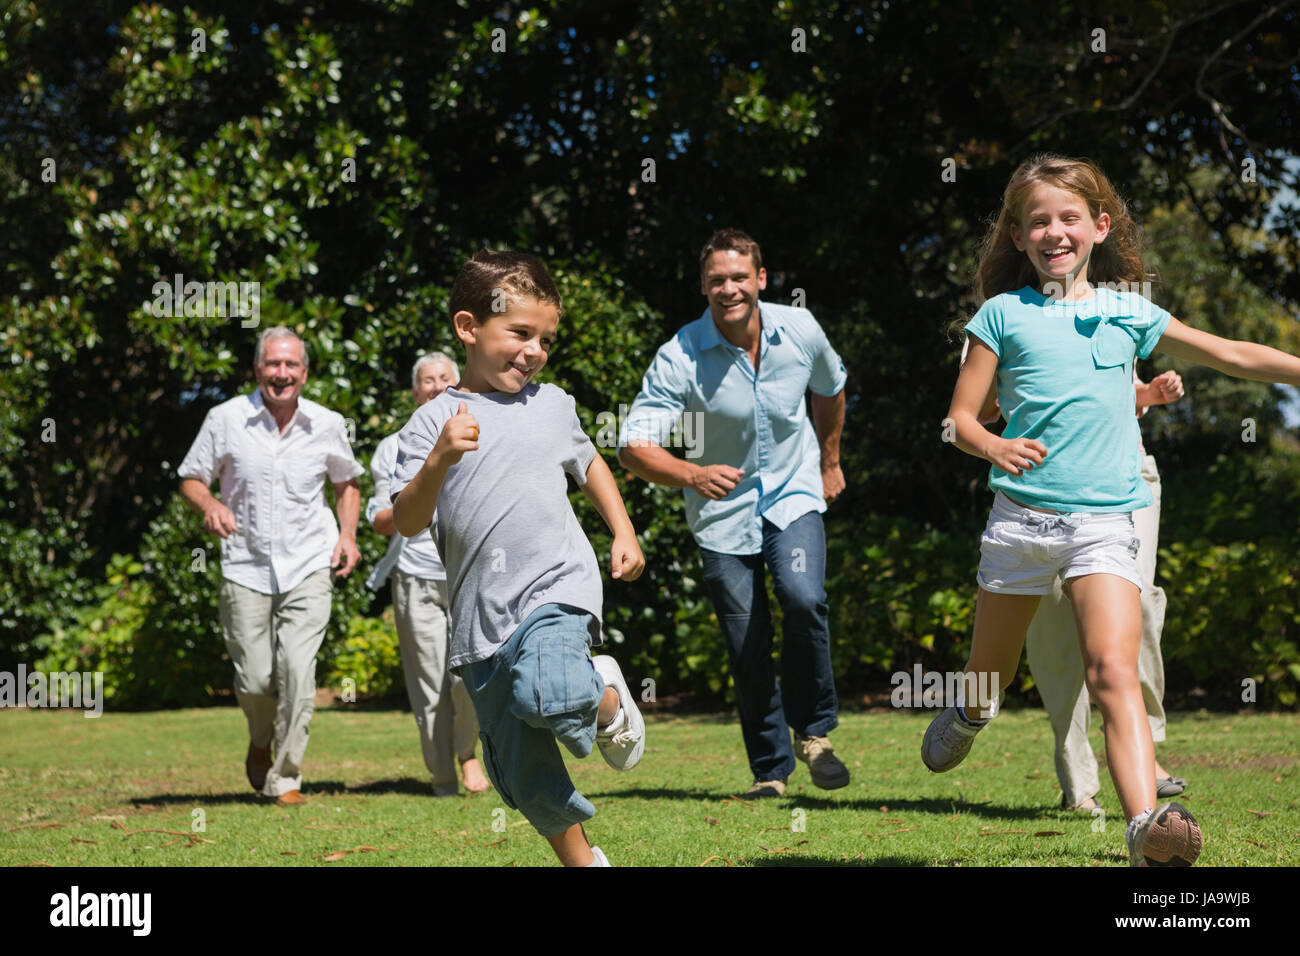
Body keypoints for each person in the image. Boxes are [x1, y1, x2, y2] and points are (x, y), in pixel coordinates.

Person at [930, 153, 1300, 866]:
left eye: (1069, 218)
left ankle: (1143, 825)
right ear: (1017, 237)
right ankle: (973, 711)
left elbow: (1228, 352)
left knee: (1113, 670)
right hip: (1020, 525)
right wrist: (993, 449)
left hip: (1104, 523)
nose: (1054, 232)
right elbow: (961, 420)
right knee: (990, 675)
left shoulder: (1129, 310)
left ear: (1099, 227)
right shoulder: (1001, 315)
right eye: (1037, 221)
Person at [392, 249, 647, 867]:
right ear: (468, 327)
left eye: (545, 339)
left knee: (552, 691)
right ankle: (585, 862)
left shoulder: (552, 405)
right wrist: (439, 461)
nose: (533, 351)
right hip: (481, 626)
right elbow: (407, 519)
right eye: (520, 333)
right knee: (524, 777)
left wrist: (623, 529)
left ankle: (605, 696)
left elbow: (588, 463)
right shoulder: (431, 423)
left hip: (555, 590)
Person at [618, 228, 849, 798]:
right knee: (746, 640)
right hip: (721, 516)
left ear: (761, 279)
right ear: (703, 285)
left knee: (804, 596)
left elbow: (832, 387)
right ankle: (770, 771)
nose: (729, 289)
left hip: (794, 491)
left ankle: (814, 733)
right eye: (716, 280)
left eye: (739, 277)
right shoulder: (681, 355)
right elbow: (631, 447)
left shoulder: (800, 329)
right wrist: (692, 474)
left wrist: (830, 460)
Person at [179, 326, 363, 806]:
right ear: (258, 369)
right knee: (256, 678)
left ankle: (286, 778)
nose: (282, 373)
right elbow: (191, 477)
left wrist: (347, 534)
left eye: (291, 365)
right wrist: (209, 506)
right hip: (245, 565)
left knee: (300, 671)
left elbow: (346, 483)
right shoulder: (226, 418)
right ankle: (259, 739)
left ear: (304, 372)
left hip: (309, 562)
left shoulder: (327, 422)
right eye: (272, 364)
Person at [1022, 371, 1188, 813]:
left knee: (1137, 601)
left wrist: (1150, 394)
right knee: (1057, 623)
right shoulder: (1004, 316)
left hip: (1125, 476)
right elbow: (977, 410)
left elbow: (1121, 386)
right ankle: (1079, 782)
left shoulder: (1114, 307)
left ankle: (1145, 751)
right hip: (1046, 482)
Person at [365, 351, 489, 796]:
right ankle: (442, 775)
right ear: (416, 392)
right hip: (415, 576)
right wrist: (401, 511)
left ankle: (469, 753)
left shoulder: (479, 433)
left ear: (459, 384)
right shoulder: (392, 445)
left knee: (467, 676)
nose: (436, 385)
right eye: (427, 380)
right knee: (428, 683)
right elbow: (380, 515)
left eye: (445, 378)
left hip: (467, 572)